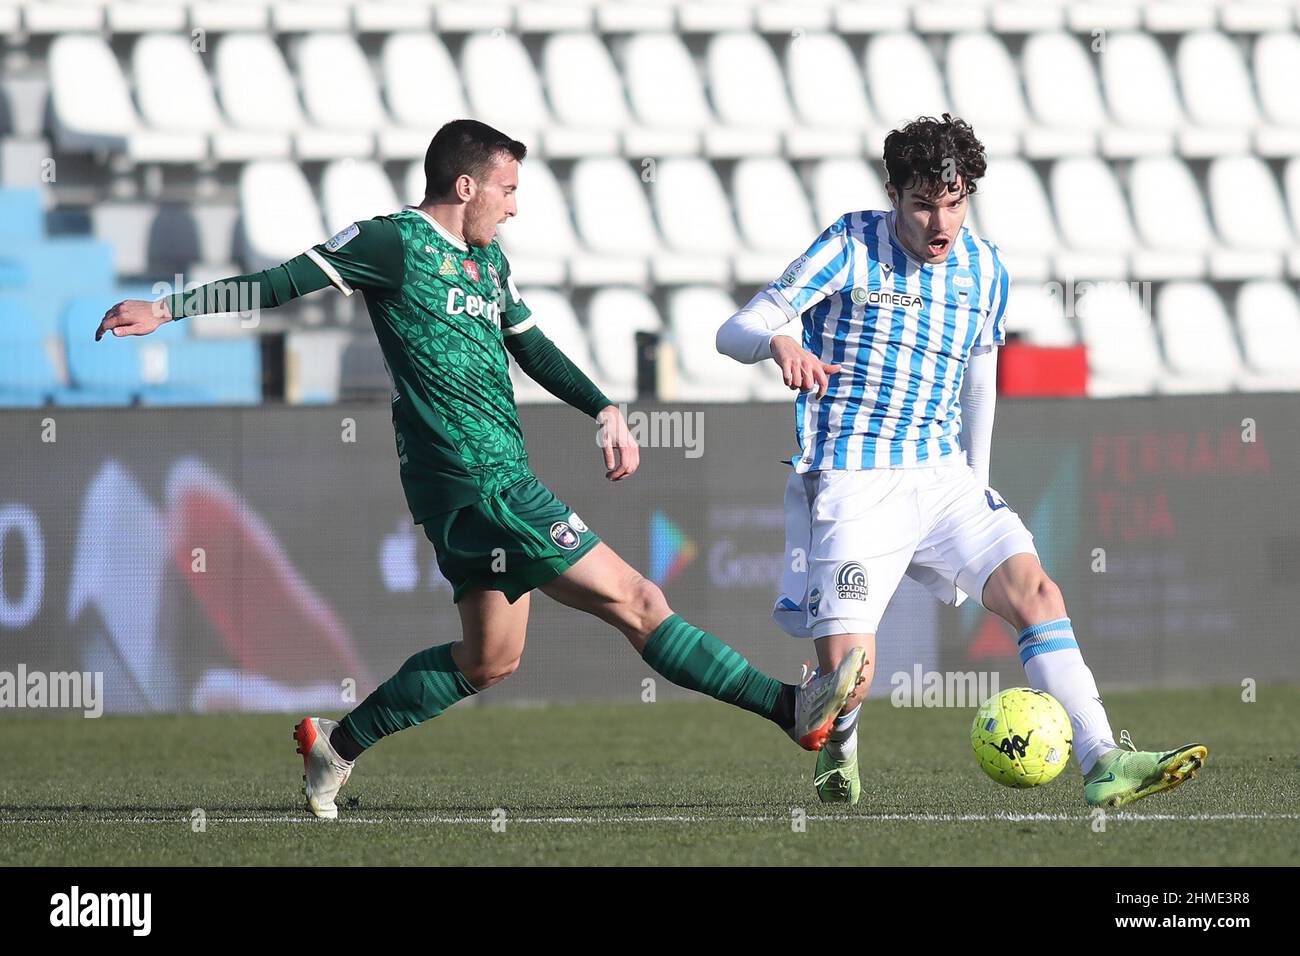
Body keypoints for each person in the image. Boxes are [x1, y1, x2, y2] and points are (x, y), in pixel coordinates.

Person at [96, 119, 866, 819]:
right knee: (638, 598)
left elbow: (528, 345)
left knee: (489, 658)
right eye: (508, 189)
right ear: (465, 186)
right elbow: (279, 282)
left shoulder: (487, 261)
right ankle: (790, 709)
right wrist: (167, 310)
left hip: (472, 490)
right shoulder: (392, 241)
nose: (514, 206)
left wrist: (602, 406)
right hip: (481, 482)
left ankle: (335, 748)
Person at [715, 113, 1206, 808]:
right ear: (894, 194)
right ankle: (840, 748)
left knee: (1037, 592)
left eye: (955, 201)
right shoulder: (850, 245)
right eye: (922, 203)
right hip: (856, 478)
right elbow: (732, 329)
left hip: (943, 476)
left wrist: (977, 483)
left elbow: (979, 379)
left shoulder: (985, 269)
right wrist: (777, 344)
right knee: (850, 676)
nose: (940, 221)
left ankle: (1103, 759)